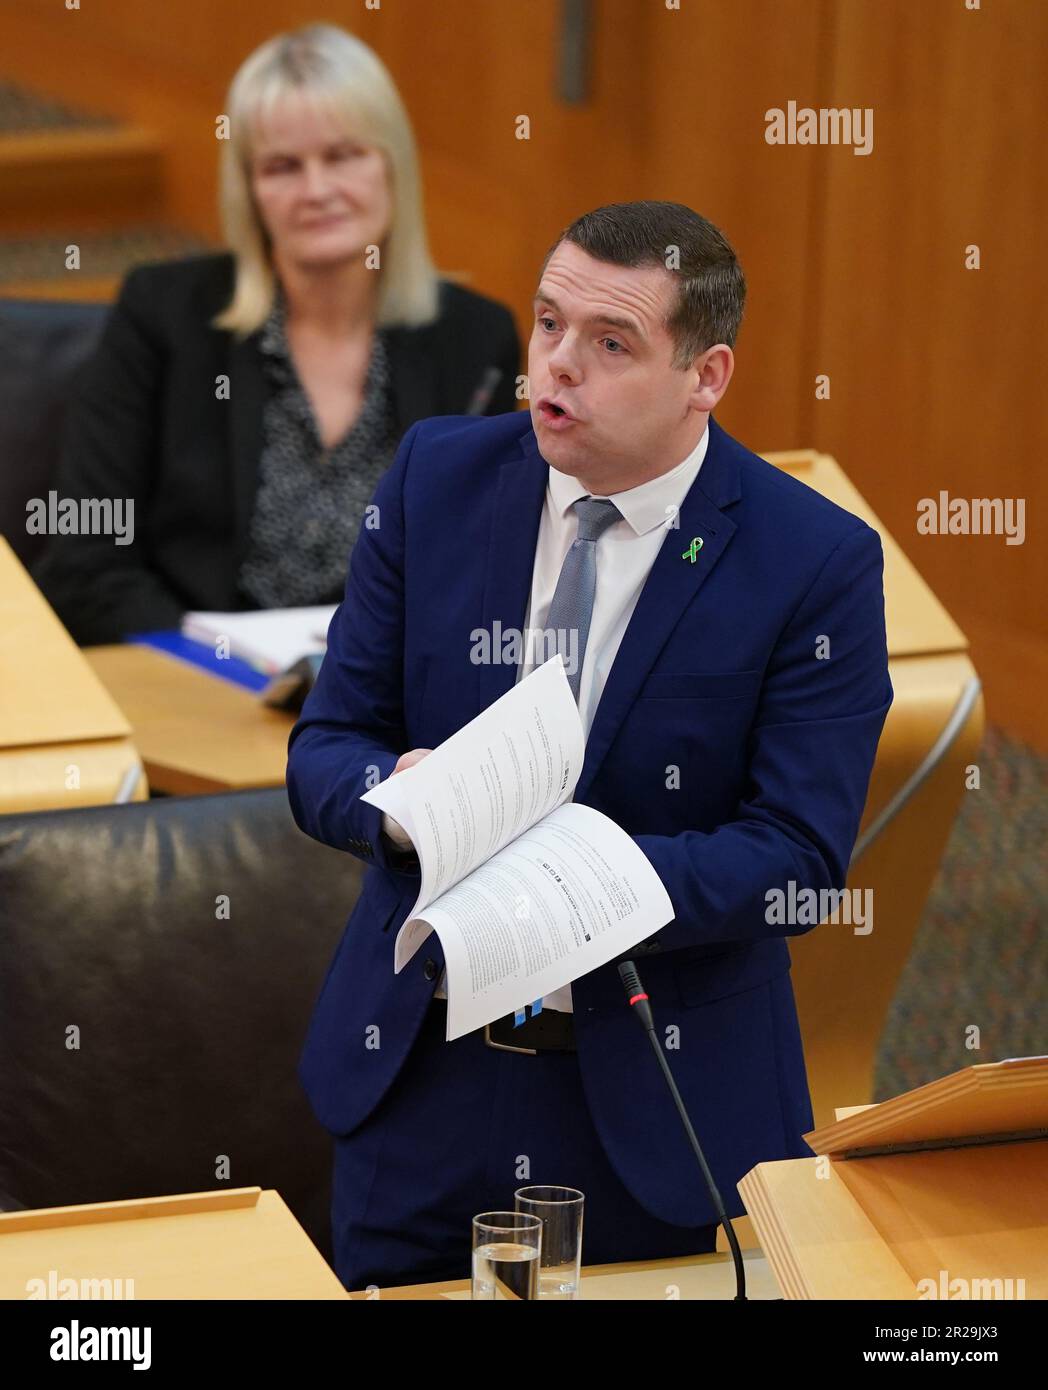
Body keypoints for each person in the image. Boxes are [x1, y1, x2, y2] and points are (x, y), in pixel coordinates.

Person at [285, 200, 893, 1290]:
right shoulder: (438, 478)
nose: (555, 369)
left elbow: (797, 856)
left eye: (609, 344)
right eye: (547, 324)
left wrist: (570, 874)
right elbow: (329, 740)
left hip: (650, 1096)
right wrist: (395, 799)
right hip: (419, 1071)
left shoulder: (815, 563)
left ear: (704, 376)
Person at [32, 23, 520, 645]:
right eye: (283, 166)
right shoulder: (162, 313)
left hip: (375, 700)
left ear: (392, 167)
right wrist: (216, 656)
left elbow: (475, 567)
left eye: (344, 155)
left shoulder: (474, 337)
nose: (316, 191)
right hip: (190, 678)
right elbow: (87, 558)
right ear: (249, 188)